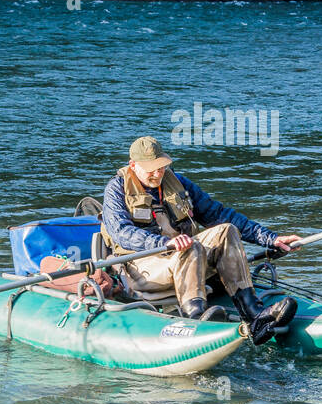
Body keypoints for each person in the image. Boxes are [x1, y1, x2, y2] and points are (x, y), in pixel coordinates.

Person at [101, 136, 299, 345]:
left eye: (161, 167)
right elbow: (122, 232)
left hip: (185, 257)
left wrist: (270, 238)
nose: (158, 173)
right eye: (152, 169)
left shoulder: (177, 182)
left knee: (226, 230)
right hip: (142, 267)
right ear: (133, 165)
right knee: (191, 245)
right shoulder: (116, 189)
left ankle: (255, 314)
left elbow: (220, 214)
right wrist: (162, 244)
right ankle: (195, 319)